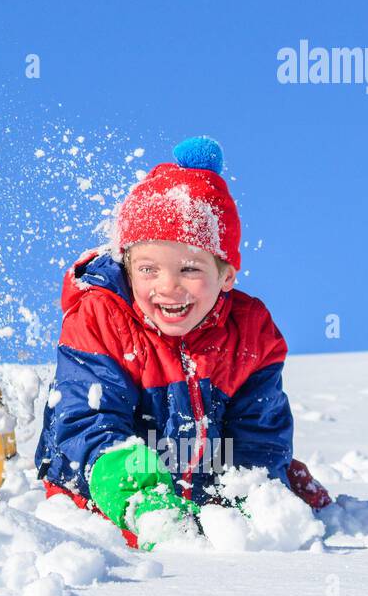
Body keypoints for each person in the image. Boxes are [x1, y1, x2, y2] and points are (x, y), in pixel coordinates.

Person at [34, 135, 330, 551]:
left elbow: (258, 435)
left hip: (197, 493)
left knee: (292, 493)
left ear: (226, 275)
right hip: (101, 497)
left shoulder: (250, 333)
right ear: (128, 266)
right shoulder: (102, 318)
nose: (168, 287)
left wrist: (250, 502)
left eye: (189, 268)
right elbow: (86, 424)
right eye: (148, 269)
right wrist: (146, 504)